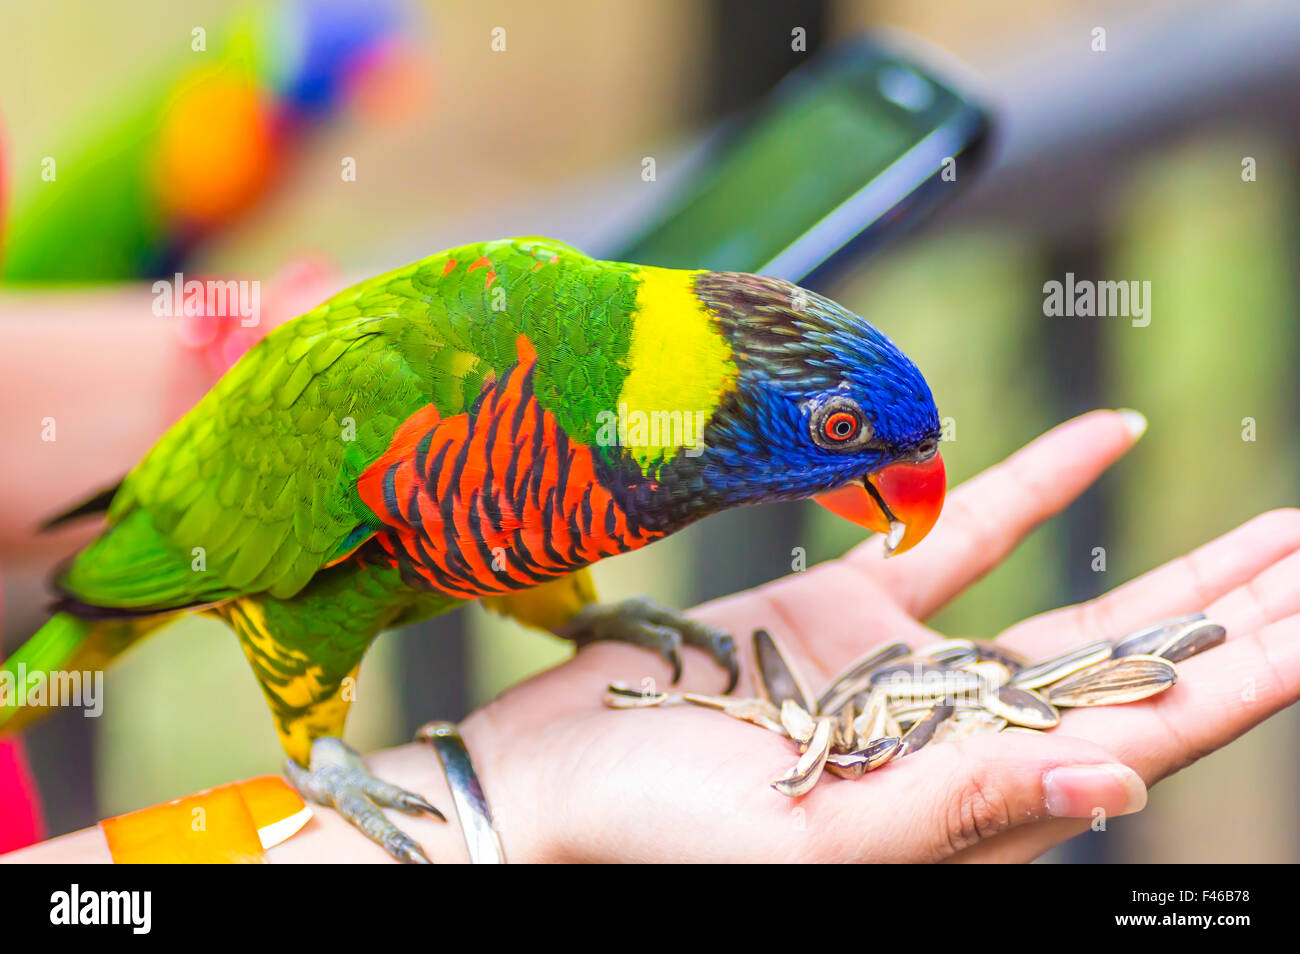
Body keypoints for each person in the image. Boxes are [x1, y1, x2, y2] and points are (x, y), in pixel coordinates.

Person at [7, 409, 1299, 863]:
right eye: (843, 437)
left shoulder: (558, 463)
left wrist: (502, 798)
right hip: (198, 570)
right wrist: (445, 789)